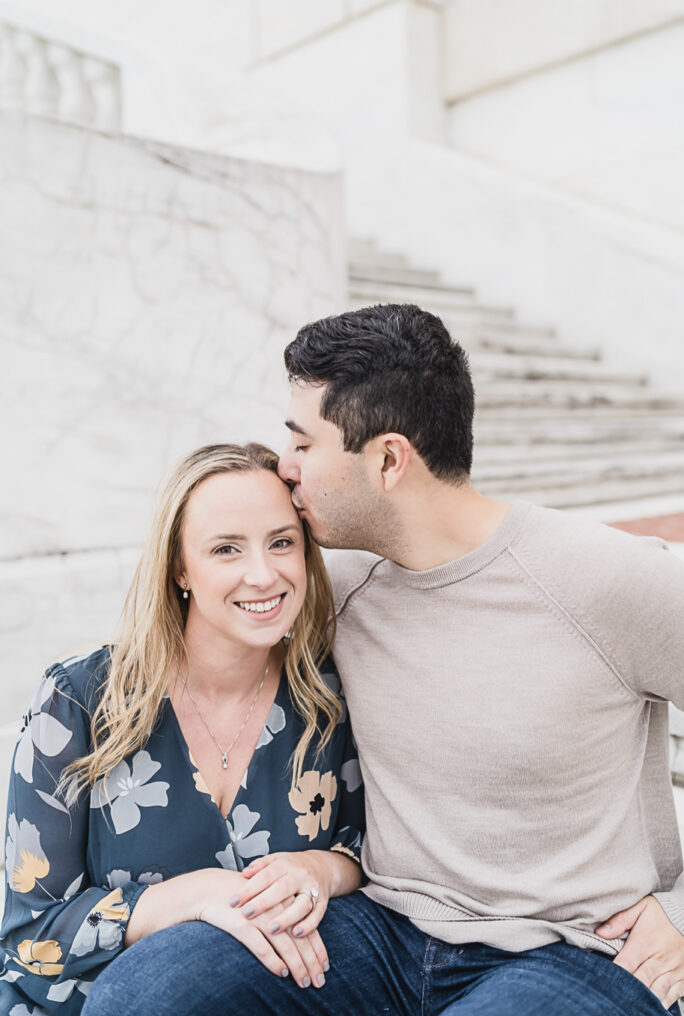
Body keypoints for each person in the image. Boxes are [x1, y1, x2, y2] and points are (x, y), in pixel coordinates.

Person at [84, 303, 684, 1016]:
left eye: (305, 444)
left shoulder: (605, 578)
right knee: (147, 994)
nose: (287, 466)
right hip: (385, 929)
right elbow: (206, 621)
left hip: (573, 948)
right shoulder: (333, 593)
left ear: (389, 459)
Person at [0, 443, 364, 1015]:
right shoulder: (75, 701)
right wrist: (189, 896)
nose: (263, 574)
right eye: (226, 549)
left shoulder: (327, 697)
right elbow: (29, 938)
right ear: (180, 569)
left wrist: (320, 867)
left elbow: (369, 851)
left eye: (282, 542)